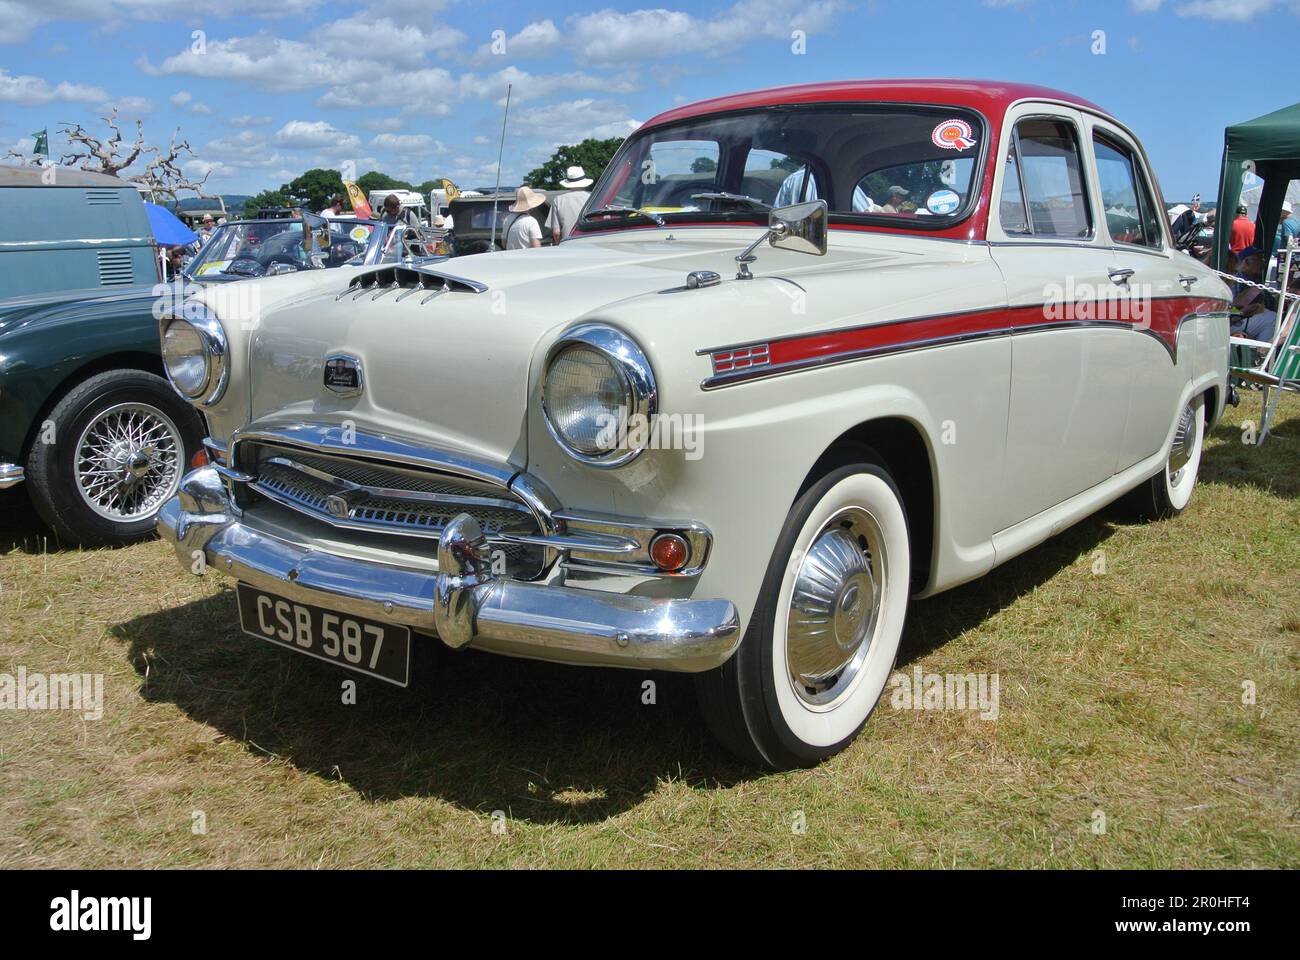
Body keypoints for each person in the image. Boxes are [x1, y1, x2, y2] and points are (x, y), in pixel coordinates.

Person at [546, 165, 592, 243]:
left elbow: (556, 232)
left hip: (568, 244)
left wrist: (559, 245)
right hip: (589, 242)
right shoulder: (592, 197)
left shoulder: (558, 200)